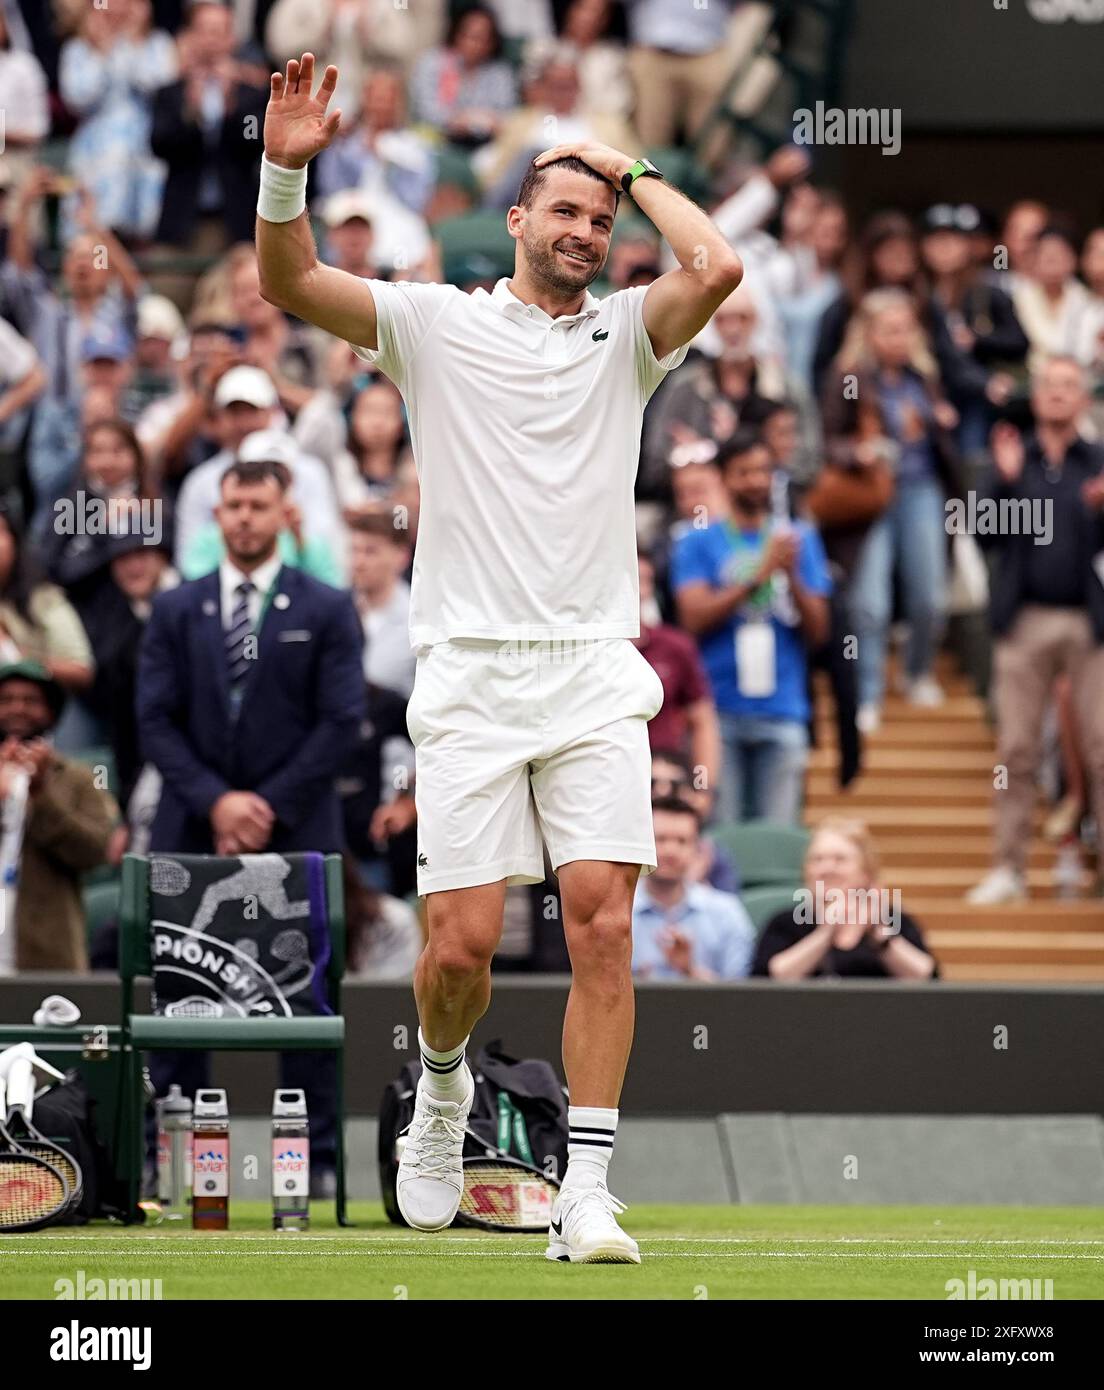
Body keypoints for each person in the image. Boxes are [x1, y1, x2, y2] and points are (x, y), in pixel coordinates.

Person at [256, 51, 743, 1259]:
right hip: (469, 671)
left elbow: (718, 264)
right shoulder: (430, 323)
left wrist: (623, 160)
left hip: (590, 669)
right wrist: (281, 170)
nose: (583, 228)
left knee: (601, 925)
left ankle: (585, 1188)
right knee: (460, 950)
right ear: (514, 218)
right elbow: (291, 278)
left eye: (600, 217)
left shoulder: (635, 335)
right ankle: (440, 1089)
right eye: (562, 209)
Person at [136, 455, 365, 1186]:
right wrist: (219, 803)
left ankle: (317, 1163)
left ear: (284, 513)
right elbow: (153, 720)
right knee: (181, 997)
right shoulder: (177, 609)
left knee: (304, 1003)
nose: (243, 518)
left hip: (297, 833)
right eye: (232, 505)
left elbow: (342, 722)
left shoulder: (328, 606)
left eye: (258, 506)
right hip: (192, 835)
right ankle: (170, 1161)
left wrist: (265, 806)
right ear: (216, 514)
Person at [967, 358, 1104, 905]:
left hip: (1091, 623)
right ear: (1035, 395)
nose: (1058, 395)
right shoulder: (1011, 457)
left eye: (1069, 387)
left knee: (1102, 749)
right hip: (1023, 621)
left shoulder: (1097, 463)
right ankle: (1009, 869)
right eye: (1049, 385)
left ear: (1085, 400)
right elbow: (981, 538)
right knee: (1016, 750)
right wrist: (1001, 484)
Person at [672, 431, 830, 825]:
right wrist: (757, 576)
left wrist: (790, 574)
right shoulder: (696, 541)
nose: (756, 480)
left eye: (763, 471)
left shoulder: (798, 539)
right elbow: (692, 618)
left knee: (777, 836)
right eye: (744, 472)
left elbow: (820, 631)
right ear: (723, 478)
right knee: (723, 837)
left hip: (783, 709)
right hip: (719, 709)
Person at [822, 288, 961, 731]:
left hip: (922, 490)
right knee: (870, 603)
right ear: (870, 332)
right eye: (891, 330)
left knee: (931, 596)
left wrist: (941, 424)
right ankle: (867, 692)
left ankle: (917, 671)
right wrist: (857, 453)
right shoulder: (849, 377)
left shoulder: (924, 378)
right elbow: (826, 440)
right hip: (871, 495)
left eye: (906, 330)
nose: (900, 339)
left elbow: (940, 445)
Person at [0, 660, 118, 973]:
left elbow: (95, 852)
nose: (17, 709)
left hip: (48, 955)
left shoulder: (77, 778)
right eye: (6, 700)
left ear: (51, 712)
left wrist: (41, 795)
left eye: (30, 701)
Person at [150, 0, 271, 256]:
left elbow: (256, 144)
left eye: (219, 31)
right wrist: (190, 113)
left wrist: (232, 108)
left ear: (231, 39)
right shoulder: (171, 93)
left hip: (236, 221)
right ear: (190, 36)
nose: (211, 40)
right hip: (181, 220)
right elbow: (159, 144)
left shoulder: (252, 95)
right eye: (204, 30)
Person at [753, 818, 937, 980]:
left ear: (866, 872)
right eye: (817, 860)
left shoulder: (892, 920)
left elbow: (926, 977)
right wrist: (826, 933)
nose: (826, 869)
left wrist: (880, 936)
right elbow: (771, 978)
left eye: (840, 859)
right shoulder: (786, 922)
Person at [631, 797, 754, 981]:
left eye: (682, 841)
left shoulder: (727, 912)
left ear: (698, 849)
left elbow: (742, 999)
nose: (670, 850)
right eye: (660, 839)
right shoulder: (616, 910)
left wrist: (689, 970)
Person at [348, 512, 415, 698]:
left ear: (401, 556)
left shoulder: (418, 620)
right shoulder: (333, 612)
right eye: (354, 550)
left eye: (370, 551)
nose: (358, 562)